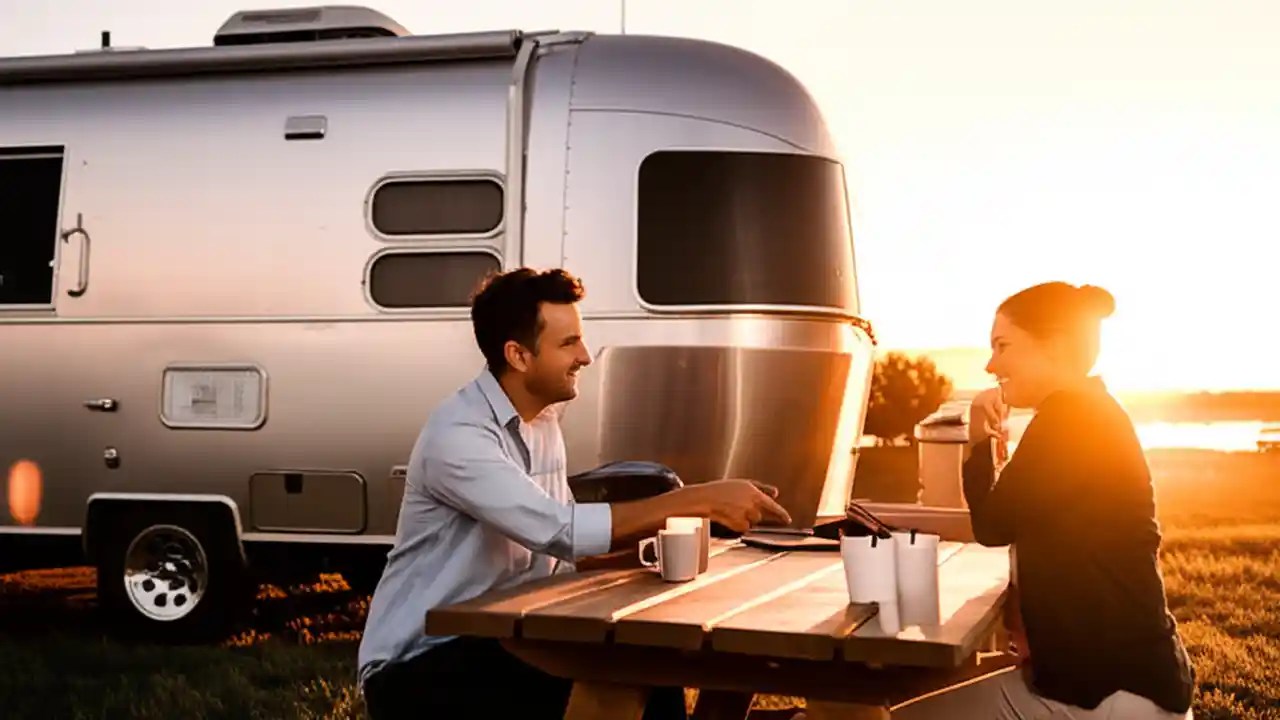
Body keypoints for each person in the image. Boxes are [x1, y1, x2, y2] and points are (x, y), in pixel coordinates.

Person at [357, 267, 792, 720]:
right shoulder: (460, 436)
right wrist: (700, 498)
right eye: (568, 343)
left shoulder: (542, 422)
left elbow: (561, 558)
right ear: (518, 355)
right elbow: (561, 531)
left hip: (510, 630)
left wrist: (656, 549)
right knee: (618, 670)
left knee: (649, 654)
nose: (585, 356)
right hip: (420, 664)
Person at [891, 281, 1196, 720]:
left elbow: (993, 525)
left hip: (1106, 694)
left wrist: (978, 437)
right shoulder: (1087, 410)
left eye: (1002, 345)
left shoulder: (1069, 419)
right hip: (1132, 681)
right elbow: (1045, 526)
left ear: (1052, 345)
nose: (991, 363)